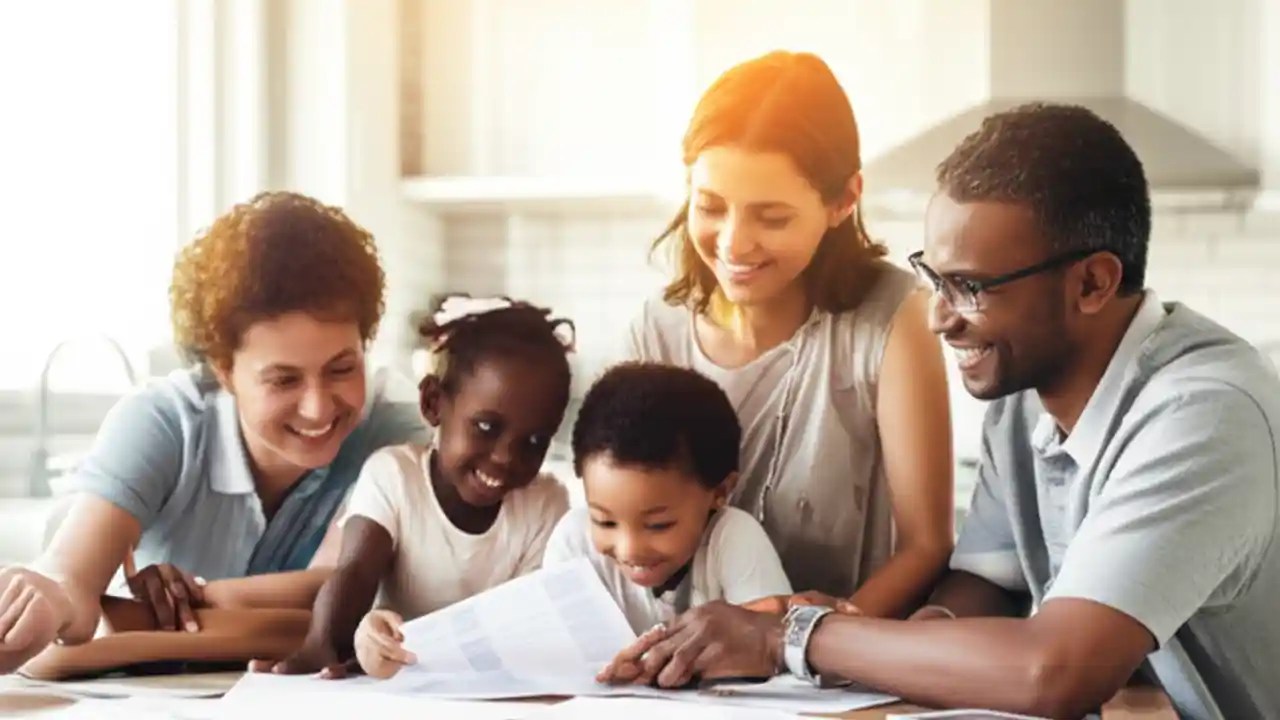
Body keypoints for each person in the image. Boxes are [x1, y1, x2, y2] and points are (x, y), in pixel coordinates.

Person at [597, 103, 1280, 720]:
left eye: (970, 288)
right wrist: (893, 636)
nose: (940, 320)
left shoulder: (1200, 414)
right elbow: (987, 579)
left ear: (1093, 283)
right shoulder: (1023, 402)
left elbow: (1057, 670)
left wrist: (793, 637)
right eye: (935, 278)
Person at [0, 192, 428, 674]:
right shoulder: (164, 424)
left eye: (342, 368)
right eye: (284, 379)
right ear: (223, 371)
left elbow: (333, 604)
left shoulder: (396, 437)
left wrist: (150, 614)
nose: (318, 406)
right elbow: (69, 582)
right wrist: (49, 598)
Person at [624, 50, 953, 616]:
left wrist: (802, 644)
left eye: (770, 217)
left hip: (837, 671)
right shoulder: (656, 330)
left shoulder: (895, 320)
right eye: (710, 206)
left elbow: (926, 546)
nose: (732, 244)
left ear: (842, 201)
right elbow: (620, 525)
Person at [263, 296, 574, 678]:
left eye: (534, 441)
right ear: (432, 403)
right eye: (487, 427)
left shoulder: (546, 504)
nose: (506, 458)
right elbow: (356, 571)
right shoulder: (393, 475)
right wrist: (323, 644)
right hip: (397, 676)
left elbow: (528, 620)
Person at [544, 362, 791, 635]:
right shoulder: (573, 542)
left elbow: (772, 644)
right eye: (604, 522)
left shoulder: (734, 539)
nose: (629, 550)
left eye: (658, 525)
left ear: (719, 492)